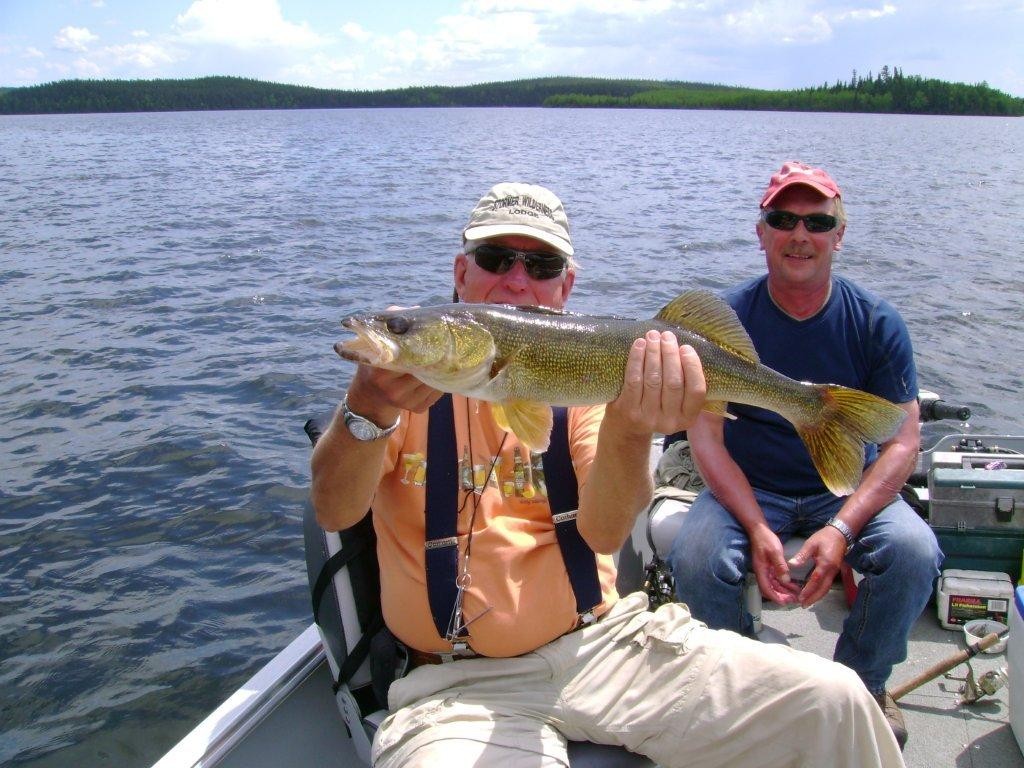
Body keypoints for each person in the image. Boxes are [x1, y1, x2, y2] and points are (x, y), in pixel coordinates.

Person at [311, 181, 904, 768]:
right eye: (495, 259)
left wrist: (631, 426)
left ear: (566, 287)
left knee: (839, 701)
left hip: (609, 648)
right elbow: (335, 512)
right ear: (460, 274)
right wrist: (367, 410)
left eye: (541, 265)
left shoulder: (584, 397)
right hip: (457, 687)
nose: (517, 280)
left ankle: (812, 408)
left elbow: (603, 534)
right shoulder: (392, 397)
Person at [667, 162, 943, 751]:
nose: (800, 234)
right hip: (749, 483)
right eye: (783, 218)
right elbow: (707, 440)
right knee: (694, 557)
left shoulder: (876, 323)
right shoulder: (725, 319)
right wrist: (756, 525)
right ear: (761, 230)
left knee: (916, 552)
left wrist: (842, 529)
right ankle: (750, 683)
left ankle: (860, 683)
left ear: (838, 235)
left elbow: (902, 442)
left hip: (843, 488)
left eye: (817, 221)